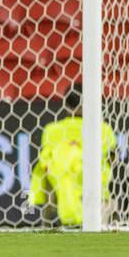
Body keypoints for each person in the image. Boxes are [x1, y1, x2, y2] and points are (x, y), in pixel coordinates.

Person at [29, 84, 116, 227]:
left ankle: (46, 223)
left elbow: (45, 160)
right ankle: (102, 224)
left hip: (60, 185)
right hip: (94, 185)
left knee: (48, 172)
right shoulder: (103, 129)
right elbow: (113, 159)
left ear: (65, 104)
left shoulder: (52, 130)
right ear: (92, 101)